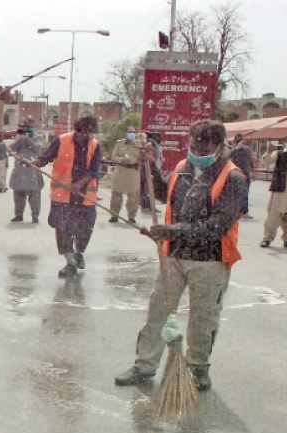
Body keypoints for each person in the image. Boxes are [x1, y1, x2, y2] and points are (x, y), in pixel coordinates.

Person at [114, 119, 247, 391]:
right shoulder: (182, 169)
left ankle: (197, 368)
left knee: (203, 317)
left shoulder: (233, 178)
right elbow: (164, 193)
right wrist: (149, 165)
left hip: (210, 261)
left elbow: (216, 227)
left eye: (204, 145)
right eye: (193, 143)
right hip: (173, 256)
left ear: (219, 145)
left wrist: (171, 231)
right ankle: (144, 365)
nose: (197, 150)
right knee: (157, 312)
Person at [33, 115, 102, 277]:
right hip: (63, 197)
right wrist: (37, 162)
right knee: (63, 230)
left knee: (85, 231)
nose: (90, 136)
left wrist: (79, 185)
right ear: (80, 130)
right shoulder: (61, 141)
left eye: (92, 133)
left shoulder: (95, 146)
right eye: (88, 132)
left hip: (86, 198)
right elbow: (46, 157)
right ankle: (70, 263)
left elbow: (93, 170)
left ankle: (79, 253)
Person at [9, 126, 44, 223]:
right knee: (18, 195)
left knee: (34, 196)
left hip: (32, 170)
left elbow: (37, 148)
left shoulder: (38, 137)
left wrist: (28, 139)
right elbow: (12, 147)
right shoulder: (19, 137)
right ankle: (18, 215)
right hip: (20, 170)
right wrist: (20, 139)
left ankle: (35, 216)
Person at [108, 126, 141, 223]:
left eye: (134, 132)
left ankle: (131, 216)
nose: (132, 134)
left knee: (133, 196)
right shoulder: (119, 144)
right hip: (120, 171)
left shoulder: (139, 144)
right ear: (125, 133)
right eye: (130, 132)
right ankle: (114, 215)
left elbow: (142, 158)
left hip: (133, 172)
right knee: (116, 194)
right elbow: (113, 157)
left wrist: (134, 160)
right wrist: (121, 159)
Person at [230, 133, 254, 218]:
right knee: (236, 194)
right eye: (238, 141)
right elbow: (227, 157)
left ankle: (245, 212)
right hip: (236, 175)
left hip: (246, 174)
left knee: (245, 193)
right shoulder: (233, 150)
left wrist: (252, 171)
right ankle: (236, 212)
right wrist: (236, 148)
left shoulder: (247, 149)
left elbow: (250, 161)